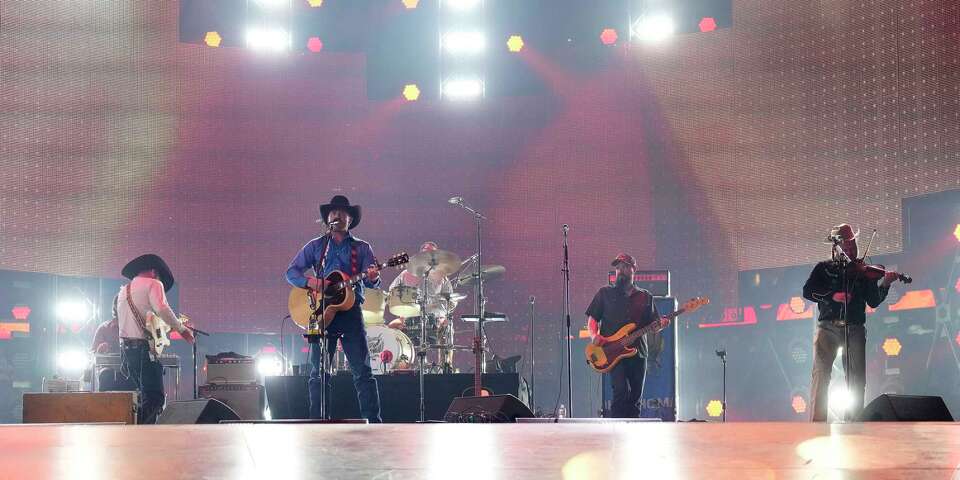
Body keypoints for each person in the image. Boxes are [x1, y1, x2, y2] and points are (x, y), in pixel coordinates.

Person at [285, 195, 383, 423]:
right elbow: (291, 273)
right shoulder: (316, 246)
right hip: (321, 312)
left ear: (350, 219)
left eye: (342, 212)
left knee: (362, 372)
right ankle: (317, 422)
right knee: (318, 373)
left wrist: (374, 277)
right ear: (327, 218)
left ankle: (374, 423)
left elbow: (371, 283)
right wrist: (313, 282)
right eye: (333, 212)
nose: (337, 215)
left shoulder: (362, 248)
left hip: (350, 313)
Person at [803, 223, 900, 422]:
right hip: (827, 327)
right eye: (846, 247)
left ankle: (854, 422)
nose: (851, 251)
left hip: (854, 328)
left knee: (857, 379)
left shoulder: (864, 271)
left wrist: (886, 284)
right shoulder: (824, 268)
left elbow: (873, 301)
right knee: (821, 375)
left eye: (853, 246)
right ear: (837, 247)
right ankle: (817, 422)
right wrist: (832, 296)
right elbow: (807, 291)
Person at [586, 253, 669, 418]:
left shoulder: (645, 296)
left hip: (638, 353)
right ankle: (616, 432)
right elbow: (592, 318)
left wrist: (660, 326)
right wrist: (594, 335)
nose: (620, 271)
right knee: (620, 391)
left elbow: (653, 326)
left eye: (624, 267)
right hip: (612, 352)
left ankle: (633, 433)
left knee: (635, 398)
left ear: (633, 270)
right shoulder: (604, 293)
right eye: (617, 268)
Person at [117, 254, 195, 424]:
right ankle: (144, 438)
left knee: (143, 397)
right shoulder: (154, 283)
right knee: (155, 398)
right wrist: (181, 329)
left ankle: (137, 436)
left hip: (126, 351)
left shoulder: (124, 290)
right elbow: (162, 308)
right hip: (143, 351)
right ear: (154, 272)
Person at [387, 241, 457, 368]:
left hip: (434, 319)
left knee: (448, 326)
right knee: (391, 327)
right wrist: (401, 314)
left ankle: (445, 367)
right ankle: (398, 367)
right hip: (409, 318)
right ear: (420, 255)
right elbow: (392, 294)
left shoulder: (442, 277)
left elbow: (451, 300)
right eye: (426, 253)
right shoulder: (405, 274)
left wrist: (443, 315)